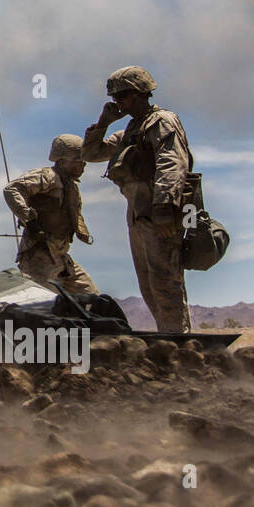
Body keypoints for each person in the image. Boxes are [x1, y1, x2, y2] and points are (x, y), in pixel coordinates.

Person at [81, 66, 193, 333]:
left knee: (165, 284)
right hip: (137, 214)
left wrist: (165, 206)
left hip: (159, 212)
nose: (119, 102)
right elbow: (91, 153)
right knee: (149, 286)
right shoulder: (131, 130)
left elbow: (172, 163)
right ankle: (169, 340)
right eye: (115, 98)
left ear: (142, 93)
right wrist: (104, 122)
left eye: (123, 96)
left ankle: (180, 344)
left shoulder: (162, 121)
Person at [3, 134, 98, 294]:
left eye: (83, 161)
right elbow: (12, 189)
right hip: (39, 257)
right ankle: (9, 320)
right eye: (77, 160)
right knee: (40, 306)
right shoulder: (47, 177)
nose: (82, 165)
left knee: (93, 299)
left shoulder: (71, 187)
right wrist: (29, 219)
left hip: (61, 255)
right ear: (62, 160)